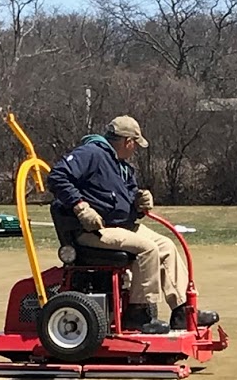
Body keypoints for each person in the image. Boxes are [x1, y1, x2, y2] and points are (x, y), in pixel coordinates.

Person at [46, 115, 218, 332]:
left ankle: (182, 311)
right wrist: (81, 207)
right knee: (147, 249)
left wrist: (139, 200)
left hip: (123, 226)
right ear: (128, 141)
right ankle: (138, 312)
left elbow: (126, 195)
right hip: (94, 230)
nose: (135, 149)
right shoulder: (91, 153)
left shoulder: (122, 167)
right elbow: (57, 176)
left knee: (166, 246)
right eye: (135, 144)